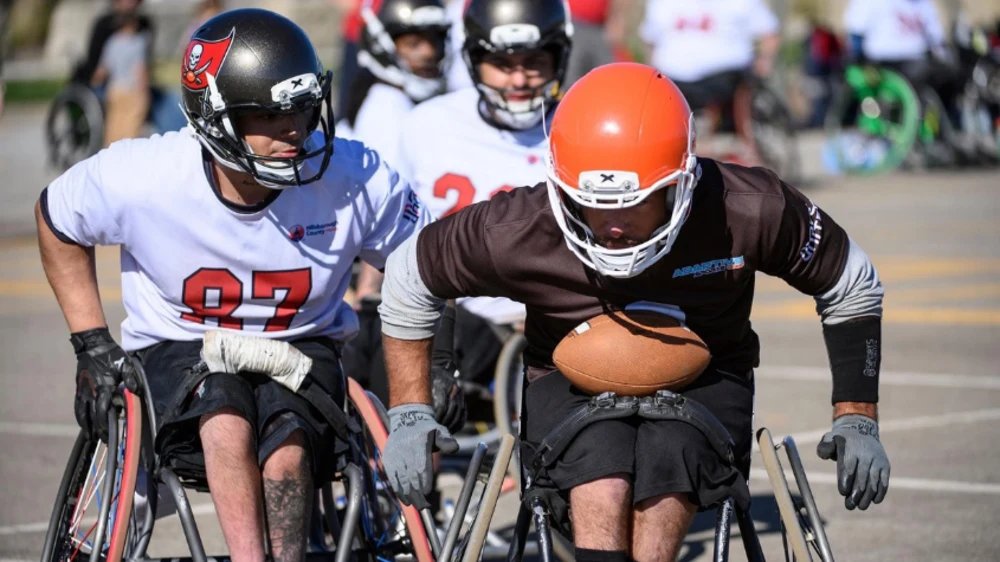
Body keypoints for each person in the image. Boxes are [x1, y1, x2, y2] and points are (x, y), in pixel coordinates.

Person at [379, 62, 891, 561]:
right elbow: (408, 276)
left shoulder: (749, 207)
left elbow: (852, 283)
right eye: (595, 203)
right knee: (598, 474)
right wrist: (408, 411)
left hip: (709, 370)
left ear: (679, 184)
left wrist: (857, 416)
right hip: (566, 372)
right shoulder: (519, 225)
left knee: (671, 466)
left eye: (634, 203)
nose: (613, 224)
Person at [36, 9, 436, 562]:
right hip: (182, 346)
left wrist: (431, 375)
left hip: (304, 344)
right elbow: (57, 219)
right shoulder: (146, 175)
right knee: (222, 414)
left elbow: (429, 262)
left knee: (289, 439)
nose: (295, 131)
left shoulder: (355, 175)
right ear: (215, 119)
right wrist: (91, 342)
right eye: (271, 117)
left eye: (300, 110)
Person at [391, 0, 573, 395]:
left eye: (534, 61)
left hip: (565, 325)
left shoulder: (583, 123)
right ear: (473, 60)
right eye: (503, 64)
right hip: (455, 323)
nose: (519, 79)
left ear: (559, 57)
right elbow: (392, 236)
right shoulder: (428, 124)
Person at [638, 0, 780, 162]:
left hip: (715, 77)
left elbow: (649, 42)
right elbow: (770, 35)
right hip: (682, 79)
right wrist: (763, 63)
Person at [93, 11, 151, 146]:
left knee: (113, 126)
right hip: (132, 89)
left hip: (115, 89)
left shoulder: (112, 42)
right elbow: (139, 69)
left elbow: (103, 69)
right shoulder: (137, 42)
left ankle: (111, 155)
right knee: (131, 128)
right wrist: (145, 91)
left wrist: (95, 83)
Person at [564, 0, 634, 86]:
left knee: (612, 77)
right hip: (571, 20)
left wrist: (618, 19)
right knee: (570, 76)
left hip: (601, 26)